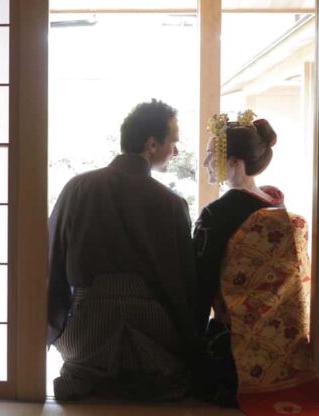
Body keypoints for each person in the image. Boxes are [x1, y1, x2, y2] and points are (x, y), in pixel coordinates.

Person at [47, 99, 199, 401]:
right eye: (174, 142)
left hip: (85, 330)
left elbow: (52, 262)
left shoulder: (77, 189)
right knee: (169, 371)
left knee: (84, 357)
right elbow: (183, 284)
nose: (176, 151)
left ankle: (86, 376)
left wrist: (53, 324)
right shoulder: (170, 203)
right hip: (152, 330)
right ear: (152, 144)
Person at [193, 112, 319, 415]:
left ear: (235, 163)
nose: (205, 163)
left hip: (232, 346)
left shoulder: (217, 214)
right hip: (281, 343)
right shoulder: (277, 206)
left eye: (210, 156)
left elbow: (201, 280)